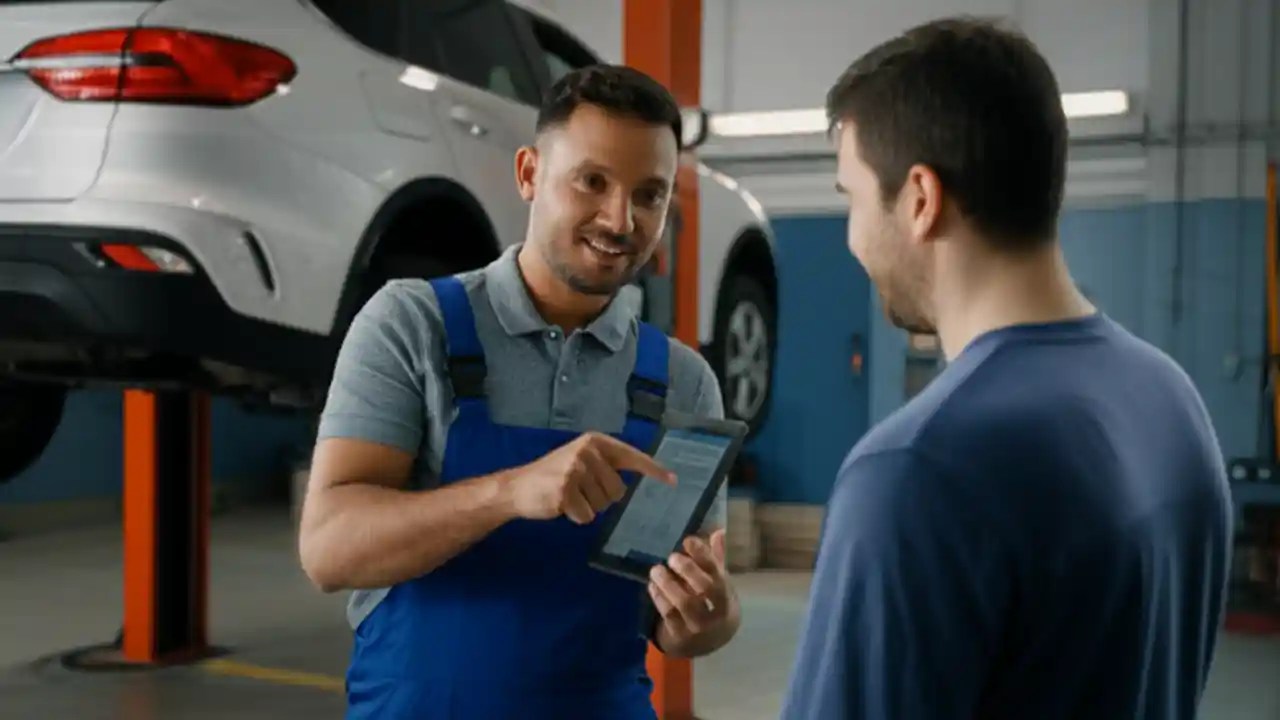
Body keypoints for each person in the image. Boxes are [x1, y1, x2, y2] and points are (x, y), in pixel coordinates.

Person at [781, 17, 1232, 720]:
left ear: (921, 201)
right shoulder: (1168, 398)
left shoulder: (915, 471)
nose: (853, 236)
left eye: (853, 198)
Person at [298, 65, 741, 720]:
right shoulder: (413, 326)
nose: (621, 219)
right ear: (530, 174)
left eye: (650, 195)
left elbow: (677, 628)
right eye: (593, 182)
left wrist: (711, 612)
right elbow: (329, 551)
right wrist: (509, 492)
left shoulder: (683, 380)